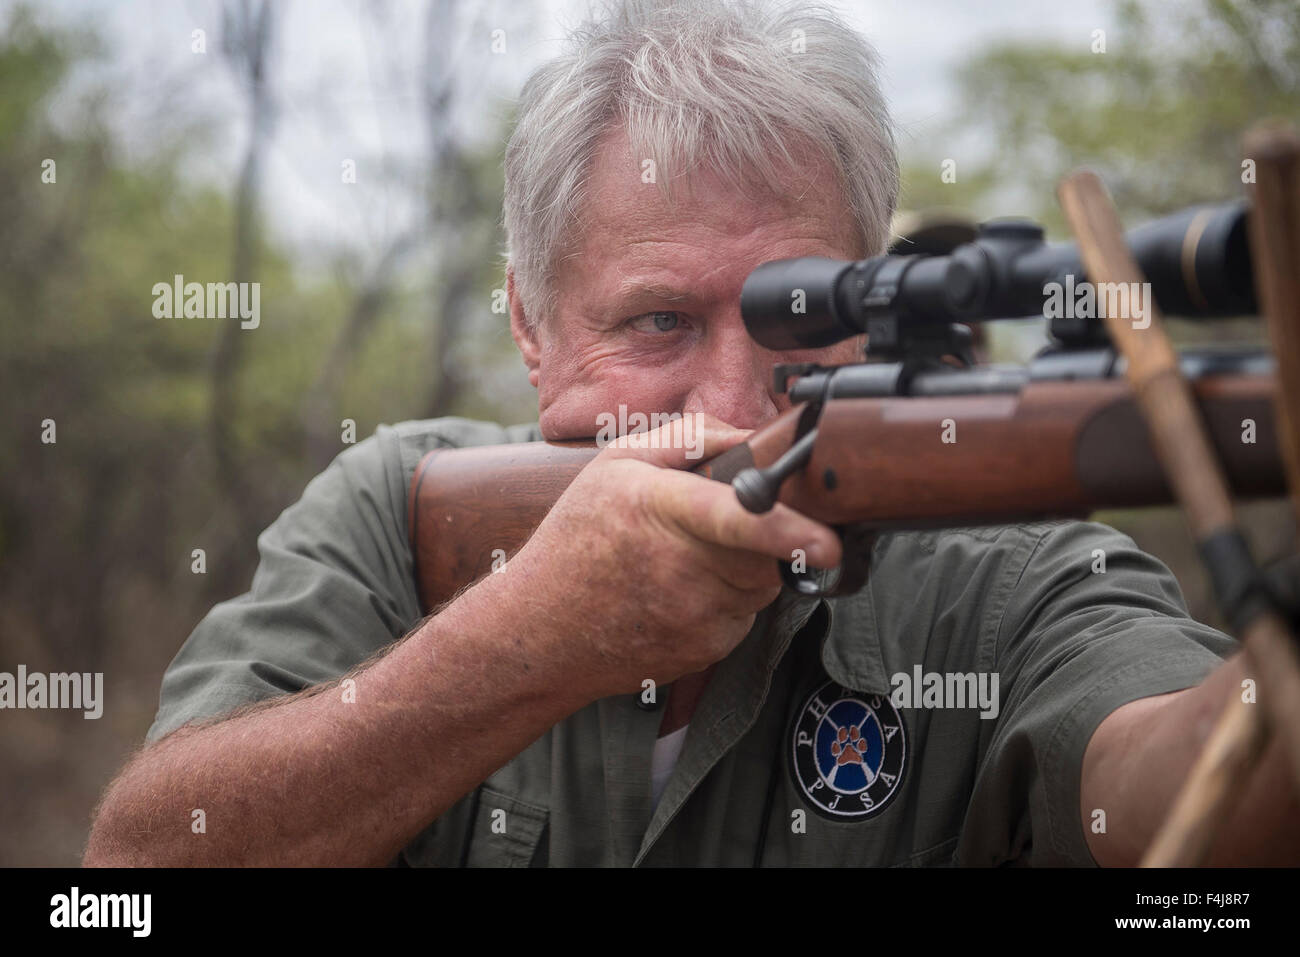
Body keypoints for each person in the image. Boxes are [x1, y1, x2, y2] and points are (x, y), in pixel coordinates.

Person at [83, 0, 1298, 867]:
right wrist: (527, 645)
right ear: (529, 322)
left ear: (876, 303)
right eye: (658, 322)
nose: (728, 405)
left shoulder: (1009, 572)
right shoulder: (395, 514)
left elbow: (1176, 803)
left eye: (801, 320)